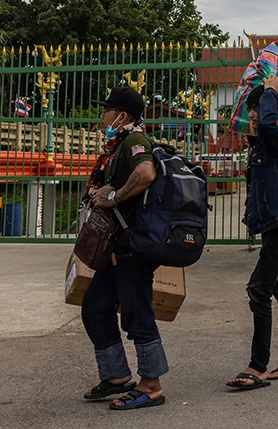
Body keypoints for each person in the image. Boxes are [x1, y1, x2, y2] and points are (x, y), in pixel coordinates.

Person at [81, 85, 169, 410]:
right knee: (95, 308)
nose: (102, 115)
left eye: (107, 110)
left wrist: (114, 196)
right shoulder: (117, 144)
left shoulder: (134, 140)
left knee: (137, 315)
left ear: (123, 116)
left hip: (132, 247)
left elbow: (145, 173)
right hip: (114, 249)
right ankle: (117, 376)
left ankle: (152, 385)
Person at [226, 75, 278, 390]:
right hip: (275, 225)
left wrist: (271, 92)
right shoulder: (264, 142)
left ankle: (257, 366)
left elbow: (267, 126)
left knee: (258, 290)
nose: (252, 117)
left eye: (256, 110)